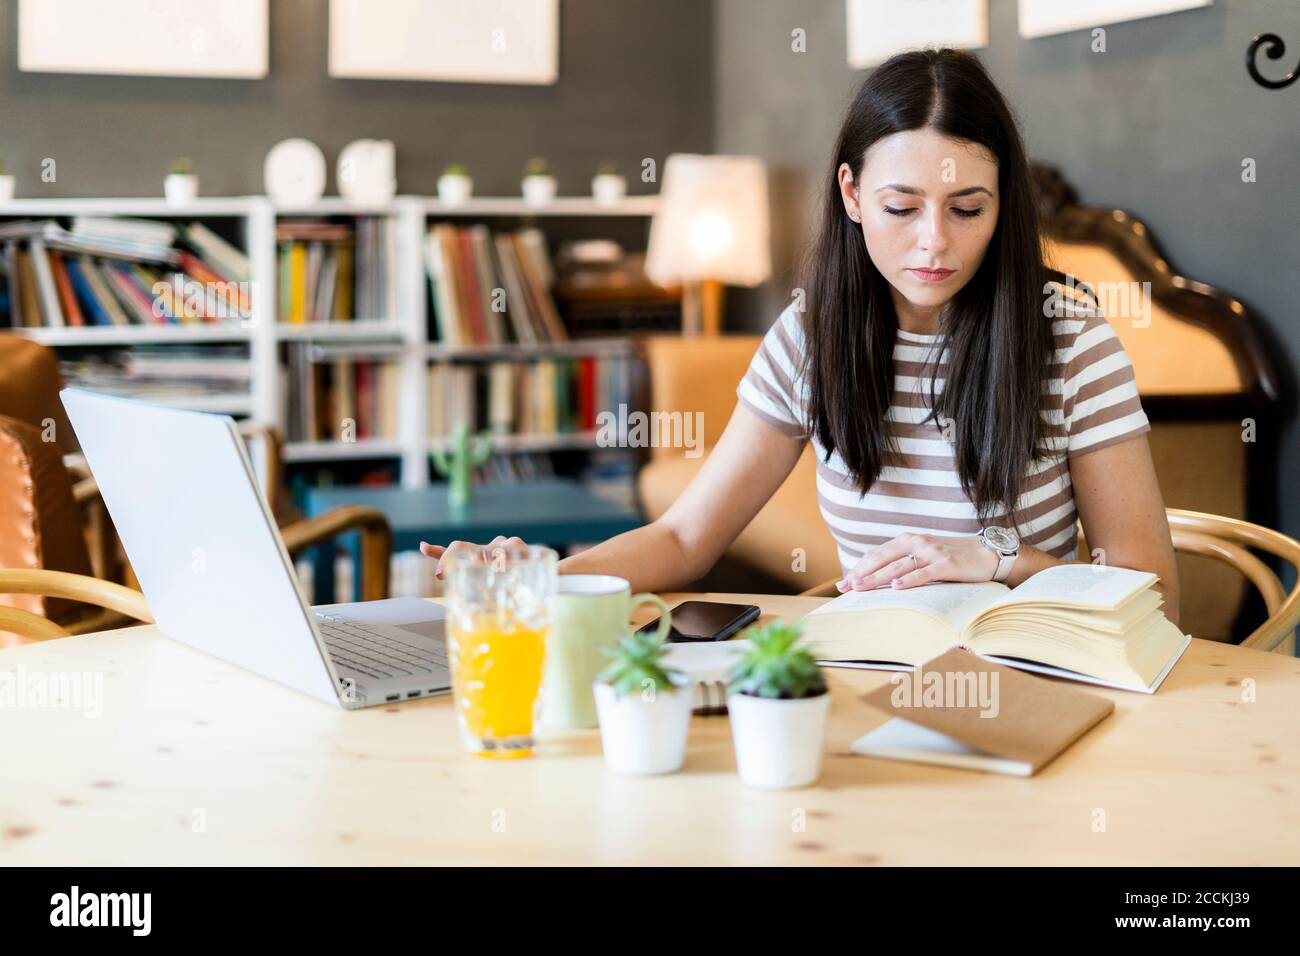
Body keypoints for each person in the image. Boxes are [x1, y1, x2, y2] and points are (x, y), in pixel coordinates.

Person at [421, 48, 1180, 624]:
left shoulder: (1068, 339)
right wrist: (539, 577)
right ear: (851, 195)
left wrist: (998, 559)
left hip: (1030, 673)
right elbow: (687, 538)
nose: (933, 246)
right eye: (901, 206)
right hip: (868, 674)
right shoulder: (812, 336)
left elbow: (1156, 598)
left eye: (967, 208)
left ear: (1003, 202)